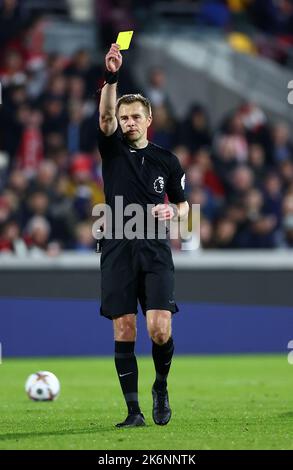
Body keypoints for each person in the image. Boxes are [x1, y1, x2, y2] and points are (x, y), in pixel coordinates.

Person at [97, 43, 189, 428]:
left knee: (158, 328)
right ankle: (133, 412)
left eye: (136, 116)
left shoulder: (167, 160)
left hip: (153, 247)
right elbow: (103, 116)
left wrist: (174, 211)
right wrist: (113, 77)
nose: (129, 122)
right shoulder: (112, 148)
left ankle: (161, 386)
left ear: (149, 119)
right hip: (117, 245)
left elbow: (185, 207)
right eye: (124, 116)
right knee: (125, 328)